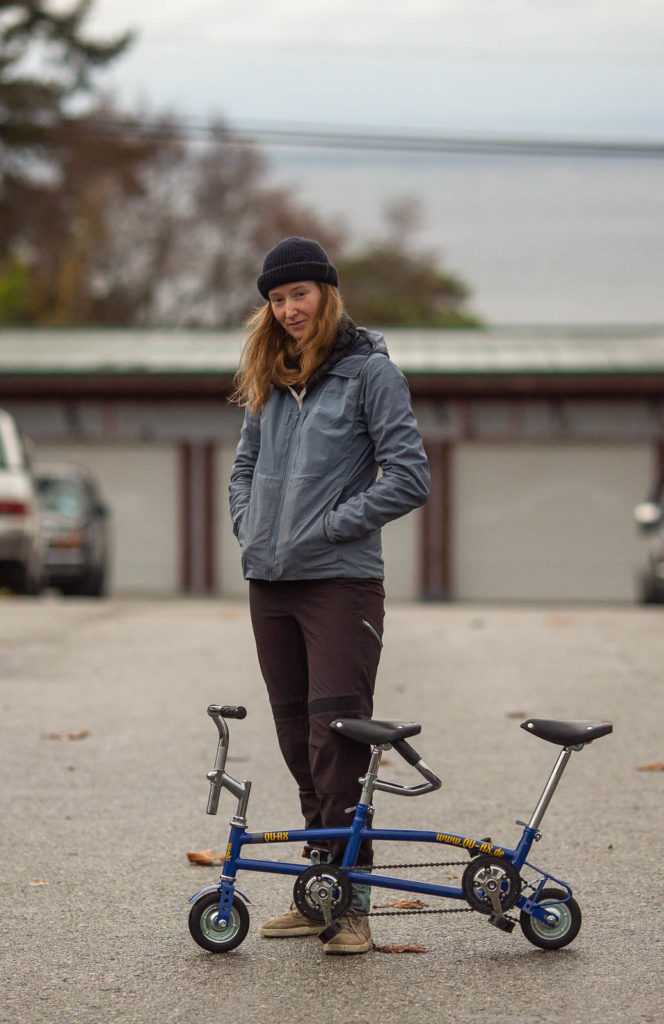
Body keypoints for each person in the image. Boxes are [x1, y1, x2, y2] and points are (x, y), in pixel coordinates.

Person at [228, 237, 431, 955]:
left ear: (327, 293)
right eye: (277, 300)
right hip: (271, 586)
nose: (288, 310)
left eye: (299, 296)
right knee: (295, 740)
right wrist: (248, 528)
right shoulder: (268, 373)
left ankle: (354, 906)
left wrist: (325, 528)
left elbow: (410, 476)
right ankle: (322, 893)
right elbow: (243, 468)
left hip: (341, 584)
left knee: (337, 741)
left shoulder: (371, 374)